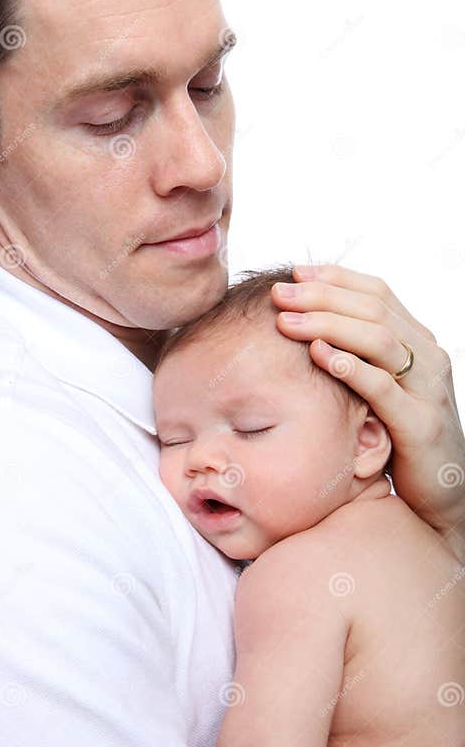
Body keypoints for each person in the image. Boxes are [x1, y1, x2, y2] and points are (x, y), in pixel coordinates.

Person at [0, 0, 462, 744]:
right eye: (114, 115)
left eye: (205, 87)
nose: (203, 166)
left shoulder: (261, 363)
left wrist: (446, 521)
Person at [154, 266, 465, 745]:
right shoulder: (432, 540)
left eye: (251, 427)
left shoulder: (295, 575)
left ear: (364, 443)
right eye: (174, 438)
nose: (202, 459)